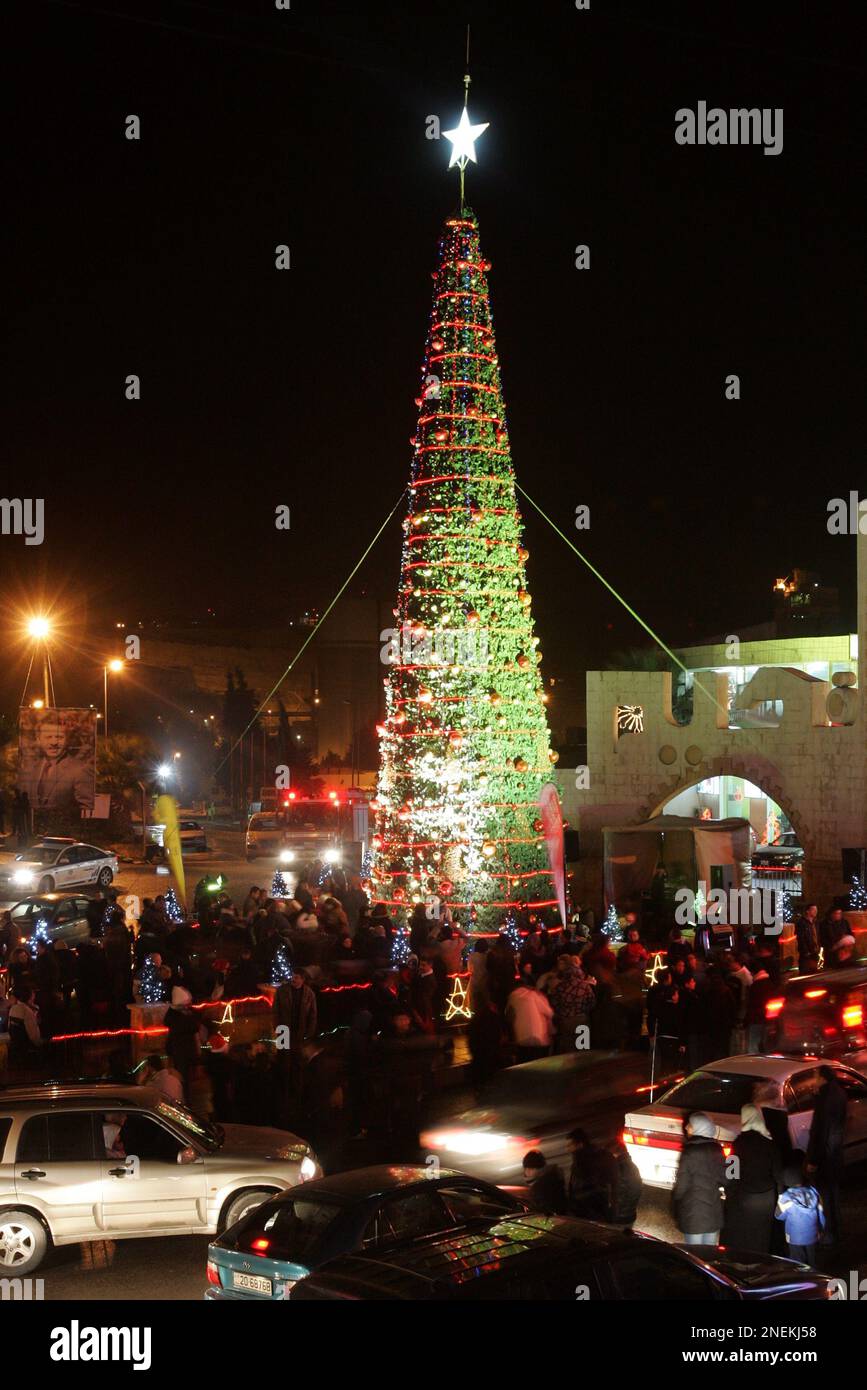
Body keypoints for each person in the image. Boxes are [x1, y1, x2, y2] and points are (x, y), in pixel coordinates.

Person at [724, 1104, 782, 1252]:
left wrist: (730, 1194)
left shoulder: (738, 1143)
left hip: (744, 1197)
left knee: (744, 1235)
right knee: (762, 1235)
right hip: (766, 1197)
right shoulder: (770, 1143)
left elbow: (731, 1173)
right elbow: (778, 1173)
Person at [805, 1065, 847, 1243]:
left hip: (825, 1154)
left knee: (824, 1195)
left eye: (815, 1075)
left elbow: (820, 1130)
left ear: (822, 1077)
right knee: (832, 1193)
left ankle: (828, 1234)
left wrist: (813, 1159)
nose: (813, 1079)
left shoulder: (826, 1098)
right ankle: (835, 1231)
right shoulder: (837, 1093)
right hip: (833, 1153)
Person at [671, 1112, 725, 1245]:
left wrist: (674, 1199)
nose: (686, 1127)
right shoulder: (718, 1150)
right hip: (713, 1212)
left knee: (694, 1254)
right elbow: (727, 1178)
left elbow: (681, 1186)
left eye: (690, 1125)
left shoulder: (689, 1152)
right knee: (709, 1254)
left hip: (692, 1213)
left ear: (699, 1128)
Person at [775, 1160, 825, 1265]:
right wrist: (820, 1230)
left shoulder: (785, 1198)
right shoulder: (814, 1192)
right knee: (813, 1260)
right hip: (813, 1235)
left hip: (794, 1238)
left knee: (798, 1262)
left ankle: (802, 1278)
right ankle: (815, 1277)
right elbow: (821, 1214)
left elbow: (778, 1216)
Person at [549, 954, 595, 1053]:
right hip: (581, 1019)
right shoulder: (584, 986)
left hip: (566, 1021)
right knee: (583, 1048)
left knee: (568, 1051)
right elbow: (591, 1002)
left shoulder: (560, 987)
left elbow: (554, 1004)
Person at [505, 976, 553, 1062]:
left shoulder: (512, 996)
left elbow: (508, 1015)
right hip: (538, 1038)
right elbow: (549, 1013)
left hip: (521, 1038)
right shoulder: (533, 994)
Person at [522, 1150, 567, 1215]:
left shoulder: (543, 1185)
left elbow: (544, 1209)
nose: (527, 1171)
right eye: (526, 1168)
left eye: (531, 1168)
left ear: (540, 1169)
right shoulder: (548, 1178)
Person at [795, 903, 820, 973]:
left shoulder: (816, 922)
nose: (816, 911)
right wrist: (805, 950)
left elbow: (817, 935)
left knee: (814, 971)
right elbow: (801, 938)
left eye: (816, 909)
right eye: (813, 909)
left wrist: (818, 946)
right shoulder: (802, 923)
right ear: (807, 911)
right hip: (806, 952)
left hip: (814, 950)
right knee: (805, 971)